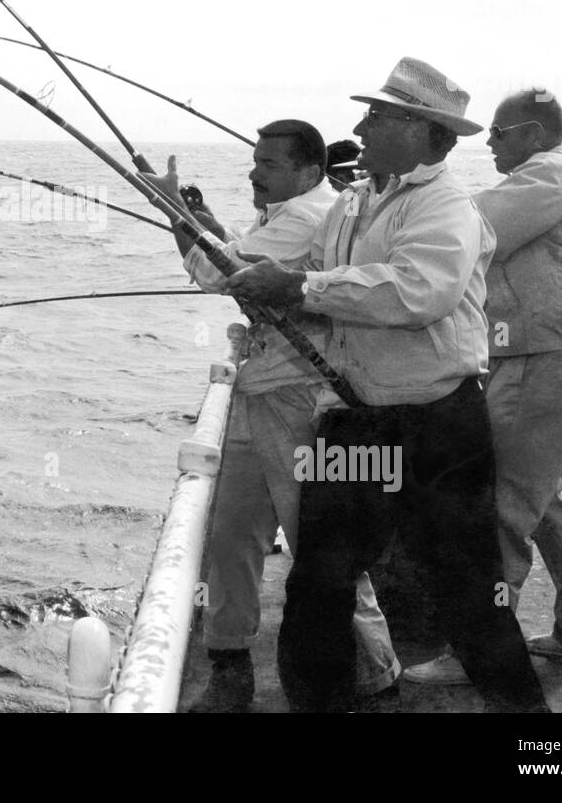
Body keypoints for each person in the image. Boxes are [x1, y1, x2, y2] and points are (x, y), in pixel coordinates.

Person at [227, 57, 549, 713]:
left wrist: (297, 288)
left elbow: (417, 291)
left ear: (424, 129)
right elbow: (311, 276)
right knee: (317, 585)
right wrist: (261, 280)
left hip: (438, 425)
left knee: (469, 597)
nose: (361, 124)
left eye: (378, 114)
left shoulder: (447, 207)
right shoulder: (349, 202)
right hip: (353, 420)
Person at [146, 120, 400, 712]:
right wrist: (194, 217)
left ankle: (373, 669)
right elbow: (236, 253)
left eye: (269, 164)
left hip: (298, 398)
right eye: (255, 160)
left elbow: (221, 272)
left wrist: (167, 209)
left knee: (318, 540)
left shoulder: (312, 216)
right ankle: (229, 658)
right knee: (231, 529)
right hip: (259, 388)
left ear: (309, 172)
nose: (254, 172)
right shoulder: (290, 211)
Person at [405, 89, 562, 686]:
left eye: (497, 132)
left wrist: (398, 205)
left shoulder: (547, 174)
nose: (489, 142)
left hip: (531, 365)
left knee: (499, 509)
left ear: (534, 133)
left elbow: (467, 227)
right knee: (546, 506)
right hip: (553, 365)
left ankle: (483, 651)